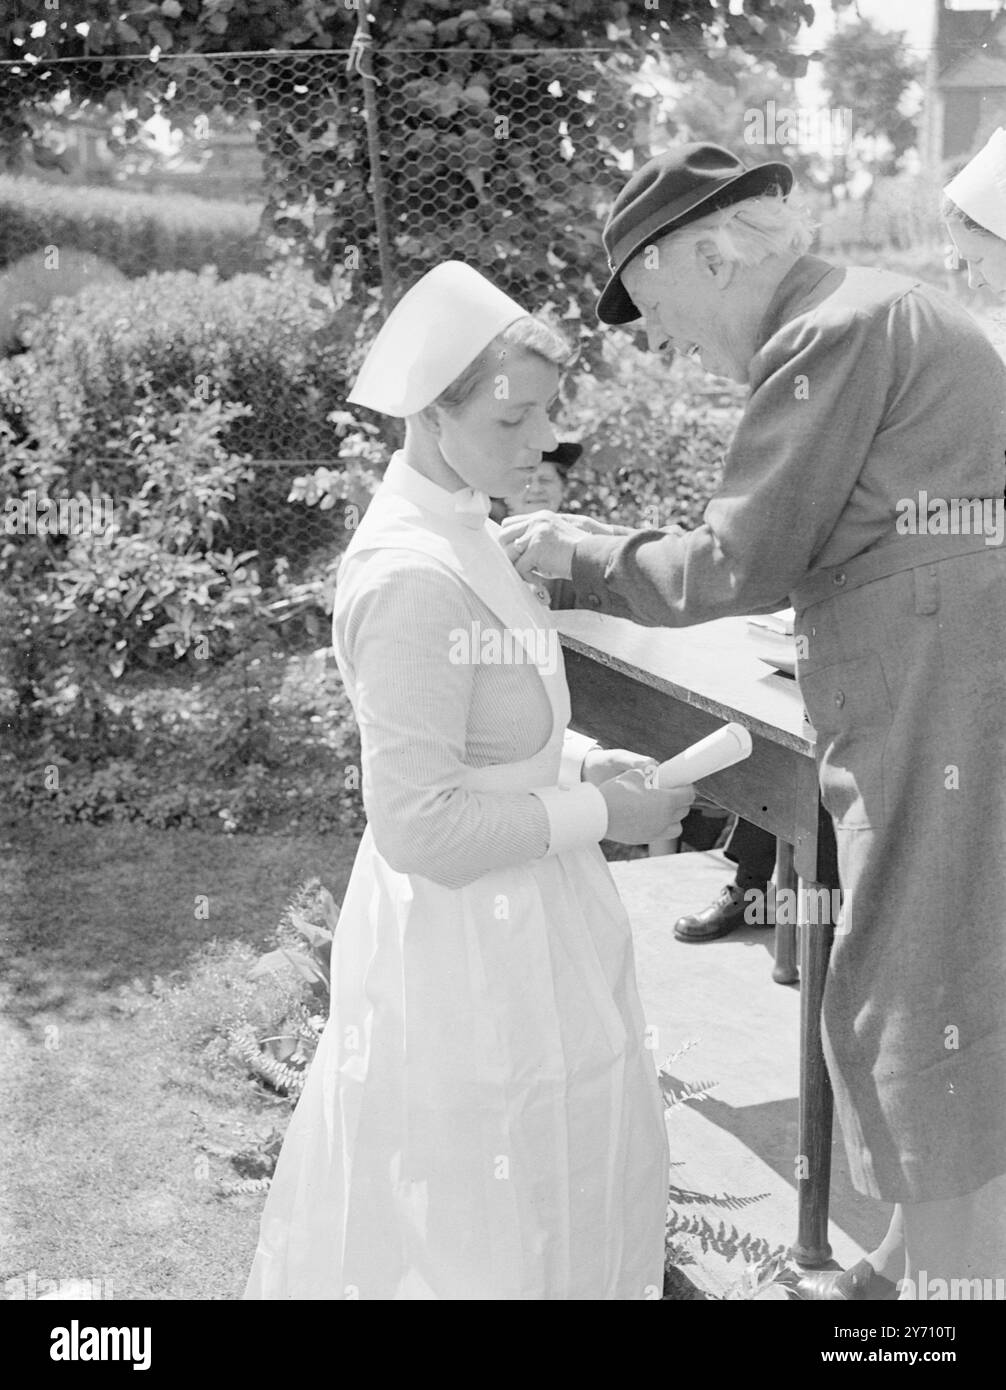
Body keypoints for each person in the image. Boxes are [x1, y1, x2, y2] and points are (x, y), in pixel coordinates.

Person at [501, 142, 1006, 1300]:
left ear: (715, 253)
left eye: (666, 313)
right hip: (941, 673)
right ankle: (912, 1263)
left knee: (907, 982)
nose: (674, 345)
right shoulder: (883, 307)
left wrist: (566, 548)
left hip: (930, 690)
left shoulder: (826, 330)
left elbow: (735, 563)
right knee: (938, 969)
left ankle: (936, 1293)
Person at [242, 261, 694, 1301]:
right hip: (457, 953)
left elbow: (491, 740)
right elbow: (417, 824)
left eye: (548, 415)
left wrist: (583, 762)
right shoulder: (408, 576)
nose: (542, 444)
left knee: (554, 1191)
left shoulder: (467, 529)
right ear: (432, 417)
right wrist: (601, 811)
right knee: (469, 1222)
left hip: (536, 919)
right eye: (516, 419)